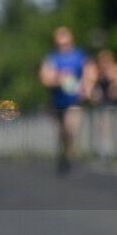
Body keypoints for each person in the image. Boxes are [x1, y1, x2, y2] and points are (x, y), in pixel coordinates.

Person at [39, 27, 94, 174]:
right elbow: (45, 78)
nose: (63, 46)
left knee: (71, 127)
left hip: (74, 100)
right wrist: (58, 77)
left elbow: (90, 72)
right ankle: (64, 152)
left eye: (66, 42)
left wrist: (87, 87)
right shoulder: (52, 57)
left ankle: (68, 154)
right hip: (57, 101)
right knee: (62, 131)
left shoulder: (79, 55)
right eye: (60, 43)